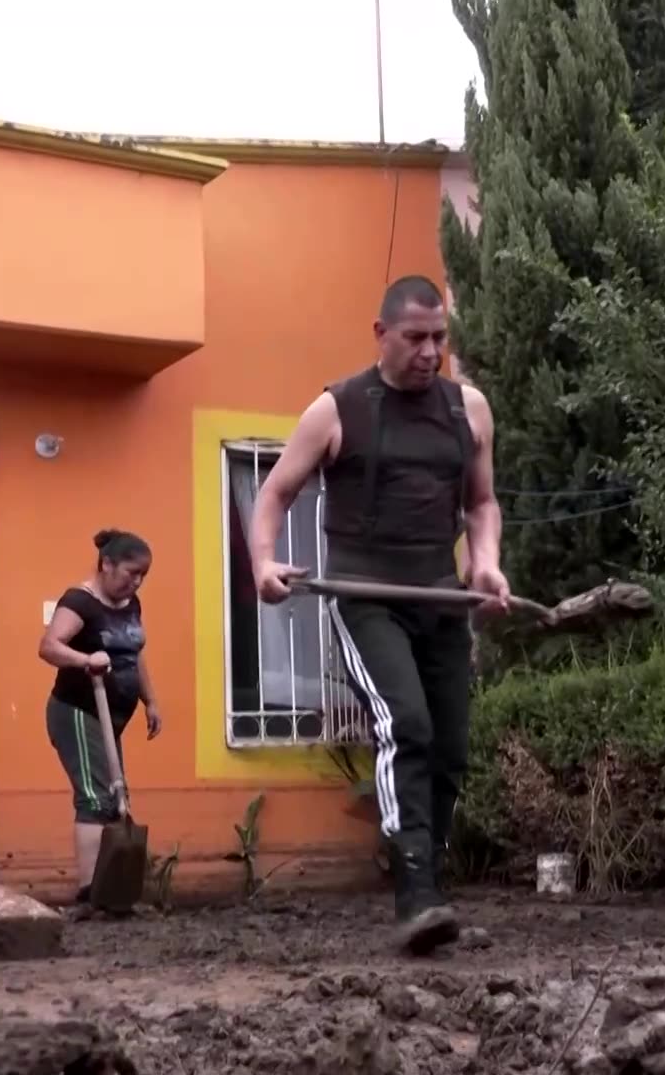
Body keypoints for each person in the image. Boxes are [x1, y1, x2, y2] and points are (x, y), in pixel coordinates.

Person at [246, 274, 510, 956]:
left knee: (449, 748)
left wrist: (485, 563)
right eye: (416, 338)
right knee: (406, 724)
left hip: (440, 594)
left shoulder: (469, 410)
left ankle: (433, 894)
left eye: (440, 339)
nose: (430, 353)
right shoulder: (337, 410)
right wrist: (264, 563)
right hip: (363, 595)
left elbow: (481, 503)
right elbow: (273, 494)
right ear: (381, 334)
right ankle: (414, 892)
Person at [37, 528, 163, 905]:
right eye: (130, 572)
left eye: (143, 575)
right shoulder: (80, 602)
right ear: (106, 564)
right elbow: (48, 647)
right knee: (95, 799)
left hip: (112, 717)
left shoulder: (132, 604)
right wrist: (85, 660)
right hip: (77, 710)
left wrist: (150, 700)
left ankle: (111, 890)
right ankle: (90, 892)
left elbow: (134, 653)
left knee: (115, 795)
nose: (136, 581)